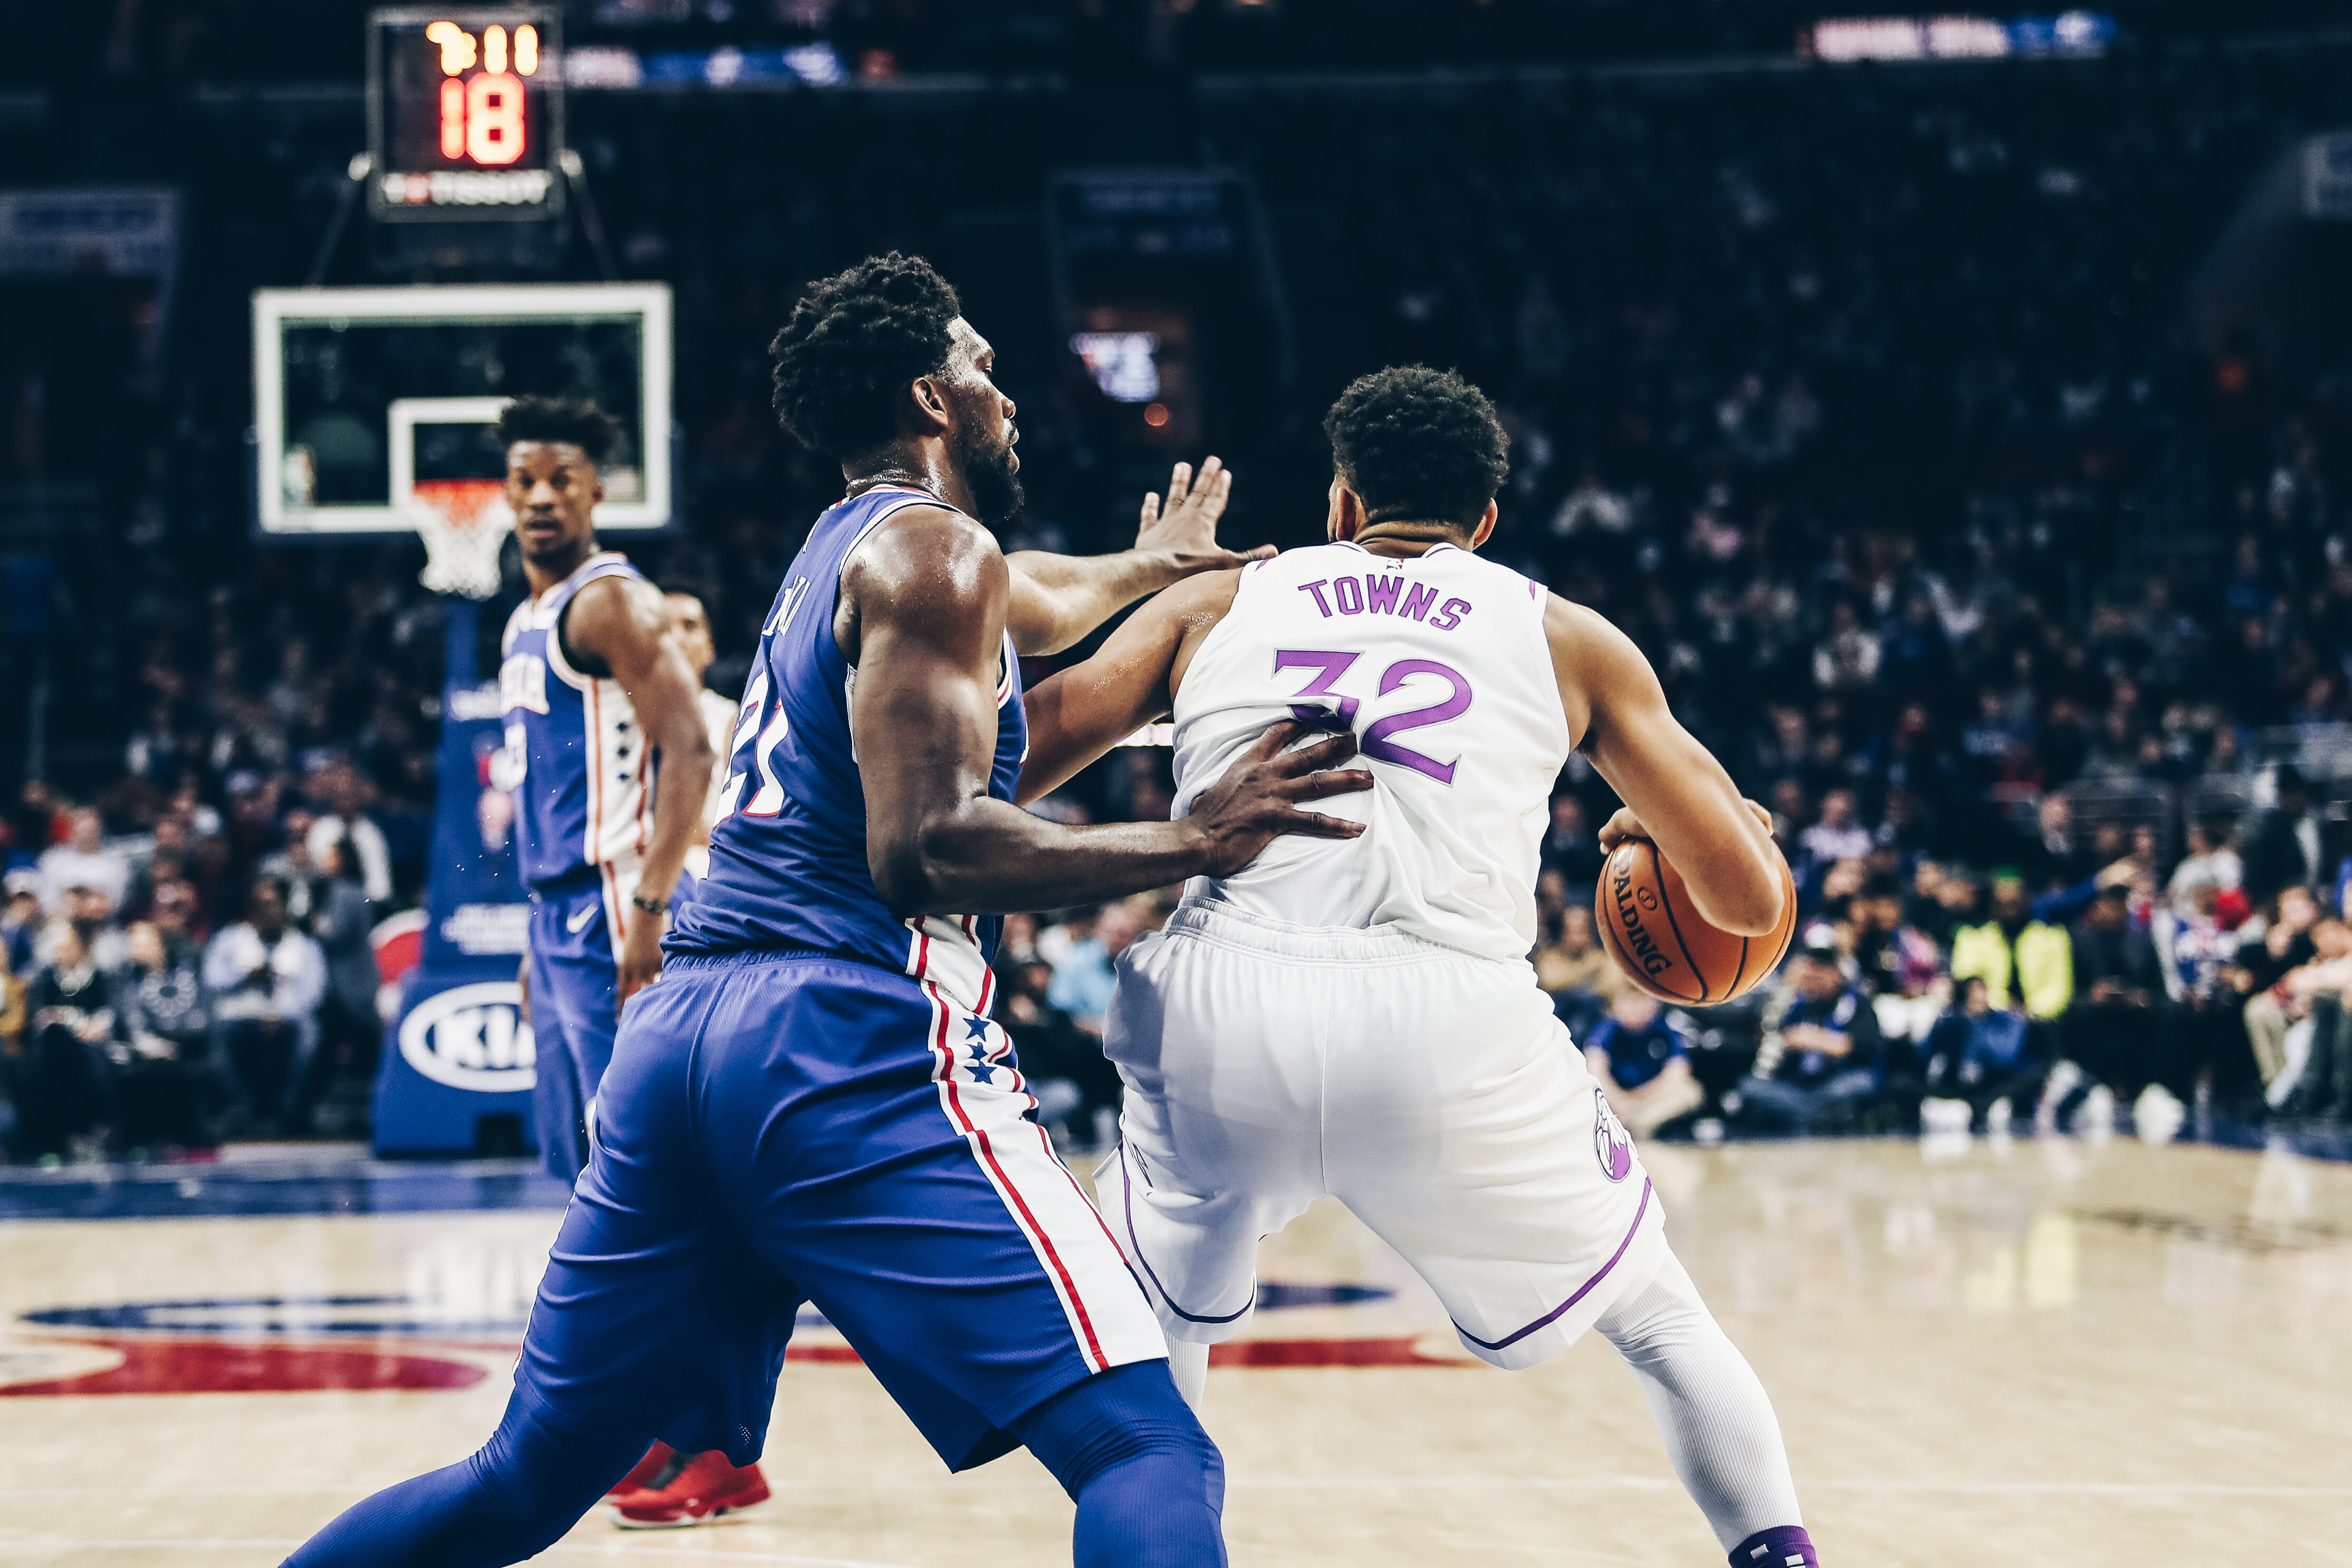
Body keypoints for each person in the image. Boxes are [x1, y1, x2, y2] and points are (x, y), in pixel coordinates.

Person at [286, 252, 1362, 1568]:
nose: (1002, 391)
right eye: (978, 365)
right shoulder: (933, 552)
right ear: (929, 394)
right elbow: (928, 849)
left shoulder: (848, 546)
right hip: (837, 1037)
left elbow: (1041, 615)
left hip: (677, 1046)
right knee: (1145, 1446)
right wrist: (1193, 837)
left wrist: (1151, 574)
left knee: (518, 1479)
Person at [1013, 365, 1820, 1568]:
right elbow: (1746, 906)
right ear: (1486, 520)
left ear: (1339, 500)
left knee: (1147, 1342)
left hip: (1225, 1003)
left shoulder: (1217, 600)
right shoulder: (1565, 636)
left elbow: (1002, 766)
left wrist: (1167, 699)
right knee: (1654, 1315)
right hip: (1448, 1020)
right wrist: (1646, 830)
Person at [484, 396, 760, 1527]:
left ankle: (707, 1441)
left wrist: (648, 904)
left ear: (599, 489)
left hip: (613, 913)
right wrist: (532, 955)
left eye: (563, 477)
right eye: (524, 479)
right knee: (586, 1183)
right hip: (557, 926)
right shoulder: (531, 613)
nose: (542, 496)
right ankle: (669, 1425)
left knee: (654, 1192)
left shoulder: (610, 600)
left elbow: (693, 741)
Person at [202, 876, 326, 1134]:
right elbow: (211, 980)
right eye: (258, 904)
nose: (264, 911)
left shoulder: (305, 946)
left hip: (287, 1018)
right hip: (241, 1015)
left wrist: (282, 1015)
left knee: (311, 1032)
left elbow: (315, 994)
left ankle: (289, 1110)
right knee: (218, 1032)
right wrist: (244, 976)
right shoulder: (230, 939)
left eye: (271, 903)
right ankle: (242, 1109)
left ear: (285, 906)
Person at [1740, 928, 1884, 1135]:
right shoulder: (1796, 1002)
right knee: (1750, 1087)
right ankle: (1814, 1117)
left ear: (1837, 971)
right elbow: (1767, 1039)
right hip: (1795, 1087)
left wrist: (1815, 1040)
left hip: (1835, 1083)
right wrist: (1787, 989)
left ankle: (1805, 1118)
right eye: (1811, 968)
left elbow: (1864, 1046)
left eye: (1822, 968)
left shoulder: (1857, 1003)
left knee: (1861, 1083)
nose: (1814, 975)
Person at [8, 921, 119, 1161]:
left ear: (80, 948)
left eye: (66, 947)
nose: (60, 953)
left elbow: (105, 1019)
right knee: (54, 1042)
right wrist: (73, 1023)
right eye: (57, 948)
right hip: (53, 1056)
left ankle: (86, 1131)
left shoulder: (100, 978)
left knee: (74, 1056)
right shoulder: (45, 979)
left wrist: (74, 1023)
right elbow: (41, 1020)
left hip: (89, 1052)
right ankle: (56, 1139)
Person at [1584, 988, 1706, 1135]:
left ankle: (1633, 1126)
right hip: (1616, 1098)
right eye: (1630, 1002)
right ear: (1615, 1005)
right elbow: (1595, 1071)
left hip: (1650, 1100)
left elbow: (1678, 1073)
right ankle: (1627, 1124)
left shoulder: (1665, 1029)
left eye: (1643, 1001)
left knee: (1691, 1091)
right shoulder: (1606, 1029)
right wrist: (1619, 1101)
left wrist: (1639, 1098)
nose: (1637, 1008)